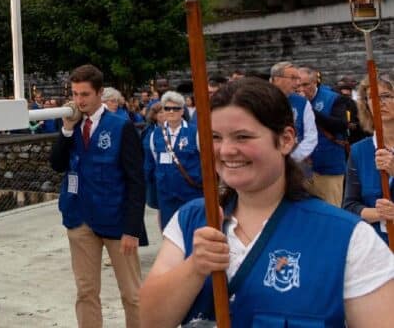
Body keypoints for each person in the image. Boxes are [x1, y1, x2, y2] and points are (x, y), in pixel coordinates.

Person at [140, 78, 394, 327]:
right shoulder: (191, 220)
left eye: (243, 137)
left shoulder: (347, 236)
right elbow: (149, 320)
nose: (226, 150)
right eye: (215, 137)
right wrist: (195, 266)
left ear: (286, 140)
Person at [50, 64, 147, 328]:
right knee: (85, 292)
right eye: (75, 94)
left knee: (132, 294)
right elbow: (56, 164)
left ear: (99, 93)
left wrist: (132, 229)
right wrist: (66, 130)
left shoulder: (121, 126)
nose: (79, 100)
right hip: (79, 218)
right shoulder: (71, 124)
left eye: (85, 94)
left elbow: (136, 180)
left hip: (116, 221)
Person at [343, 73, 394, 244]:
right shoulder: (359, 151)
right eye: (372, 97)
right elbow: (350, 206)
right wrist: (379, 214)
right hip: (378, 244)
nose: (380, 102)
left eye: (386, 96)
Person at [143, 92, 202, 230]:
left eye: (176, 108)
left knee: (193, 231)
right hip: (166, 196)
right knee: (170, 232)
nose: (171, 111)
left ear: (182, 111)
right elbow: (151, 165)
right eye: (167, 108)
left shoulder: (195, 132)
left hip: (191, 194)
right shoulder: (155, 135)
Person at [298, 65, 349, 206]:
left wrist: (308, 108)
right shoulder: (292, 100)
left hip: (329, 169)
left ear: (315, 82)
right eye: (298, 85)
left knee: (331, 209)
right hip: (302, 170)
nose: (301, 89)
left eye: (305, 85)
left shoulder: (334, 99)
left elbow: (340, 125)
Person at [269, 61, 317, 172]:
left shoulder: (302, 103)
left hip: (295, 165)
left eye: (298, 78)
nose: (297, 83)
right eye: (293, 78)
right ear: (276, 79)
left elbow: (311, 136)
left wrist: (292, 158)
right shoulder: (260, 99)